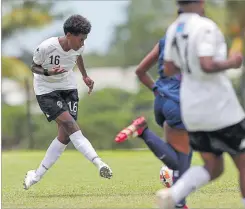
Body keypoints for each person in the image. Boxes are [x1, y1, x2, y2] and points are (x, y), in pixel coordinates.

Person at [156, 1, 245, 209]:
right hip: (220, 108)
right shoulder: (205, 26)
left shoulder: (174, 29)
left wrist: (190, 66)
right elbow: (207, 64)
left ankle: (174, 195)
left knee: (213, 166)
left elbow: (168, 68)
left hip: (192, 111)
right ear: (201, 2)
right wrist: (232, 63)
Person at [23, 15, 113, 190]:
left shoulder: (78, 47)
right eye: (81, 39)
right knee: (71, 125)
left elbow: (78, 56)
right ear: (69, 35)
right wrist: (49, 72)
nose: (83, 43)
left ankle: (35, 175)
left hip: (68, 87)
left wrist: (85, 76)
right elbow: (33, 67)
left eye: (85, 39)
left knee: (65, 136)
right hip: (46, 91)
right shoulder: (47, 47)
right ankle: (99, 163)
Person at [115, 8, 191, 209]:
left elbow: (140, 71)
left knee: (179, 157)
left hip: (161, 102)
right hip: (178, 103)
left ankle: (179, 203)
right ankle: (144, 132)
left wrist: (157, 90)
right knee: (182, 159)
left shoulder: (165, 40)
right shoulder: (195, 40)